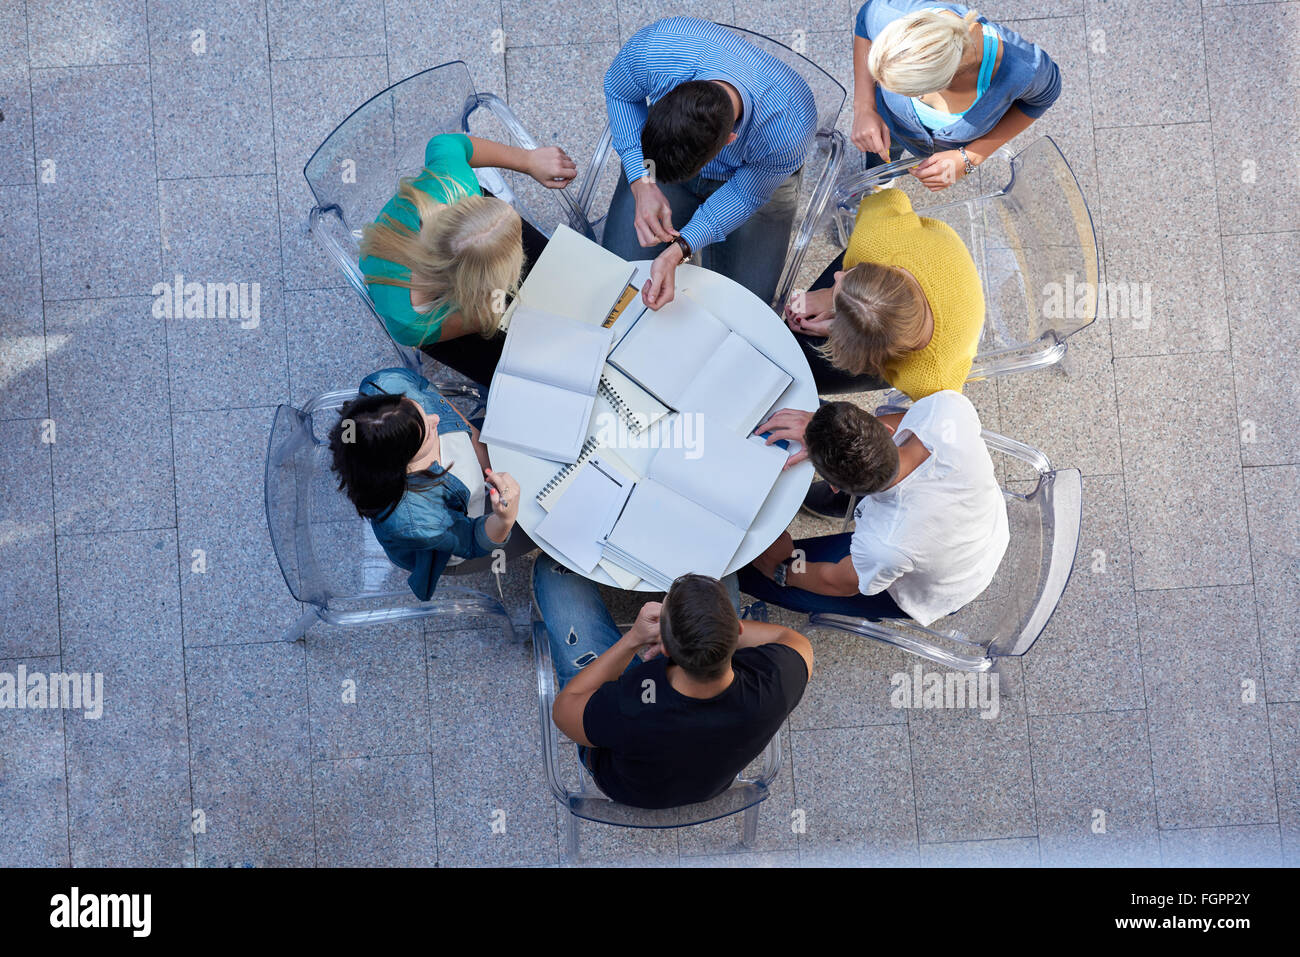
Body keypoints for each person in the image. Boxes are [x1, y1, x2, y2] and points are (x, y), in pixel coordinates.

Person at [534, 556, 813, 810]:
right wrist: (709, 633)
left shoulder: (629, 708)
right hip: (710, 784)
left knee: (553, 570)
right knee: (720, 563)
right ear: (738, 631)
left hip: (627, 786)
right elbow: (795, 642)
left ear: (665, 647)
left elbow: (565, 710)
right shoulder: (776, 681)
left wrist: (633, 640)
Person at [601, 16, 818, 310]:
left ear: (730, 140)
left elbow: (744, 195)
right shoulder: (657, 49)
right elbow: (619, 92)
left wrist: (681, 247)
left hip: (754, 180)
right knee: (616, 280)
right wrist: (644, 180)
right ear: (668, 93)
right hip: (664, 157)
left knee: (743, 308)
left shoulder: (789, 128)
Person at [741, 393, 1008, 624]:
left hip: (952, 582)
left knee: (752, 569)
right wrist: (825, 432)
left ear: (837, 486)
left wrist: (781, 569)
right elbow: (908, 419)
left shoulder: (885, 544)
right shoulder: (947, 411)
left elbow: (839, 581)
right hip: (984, 523)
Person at [359, 133, 577, 387]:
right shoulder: (410, 321)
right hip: (440, 311)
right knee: (530, 373)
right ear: (479, 286)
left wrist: (528, 160)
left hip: (462, 256)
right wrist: (508, 308)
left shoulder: (455, 183)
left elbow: (446, 142)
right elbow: (489, 316)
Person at [328, 367, 526, 600]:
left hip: (483, 459)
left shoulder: (385, 383)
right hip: (467, 532)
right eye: (429, 431)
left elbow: (440, 405)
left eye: (420, 410)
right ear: (402, 464)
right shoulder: (415, 520)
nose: (436, 419)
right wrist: (504, 519)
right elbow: (472, 540)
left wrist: (480, 449)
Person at [852, 2, 1060, 189]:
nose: (879, 87)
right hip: (890, 127)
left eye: (906, 91)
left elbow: (1042, 99)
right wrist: (864, 106)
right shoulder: (890, 12)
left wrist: (970, 158)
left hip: (943, 147)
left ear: (944, 83)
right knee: (882, 159)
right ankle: (882, 181)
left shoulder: (1024, 69)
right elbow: (865, 21)